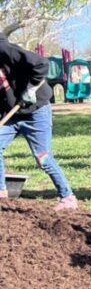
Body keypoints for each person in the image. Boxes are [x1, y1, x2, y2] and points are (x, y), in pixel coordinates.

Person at [0, 34, 77, 211]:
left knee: (43, 158)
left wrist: (31, 88)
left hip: (36, 111)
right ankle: (1, 193)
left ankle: (67, 197)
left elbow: (42, 63)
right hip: (12, 114)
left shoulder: (5, 50)